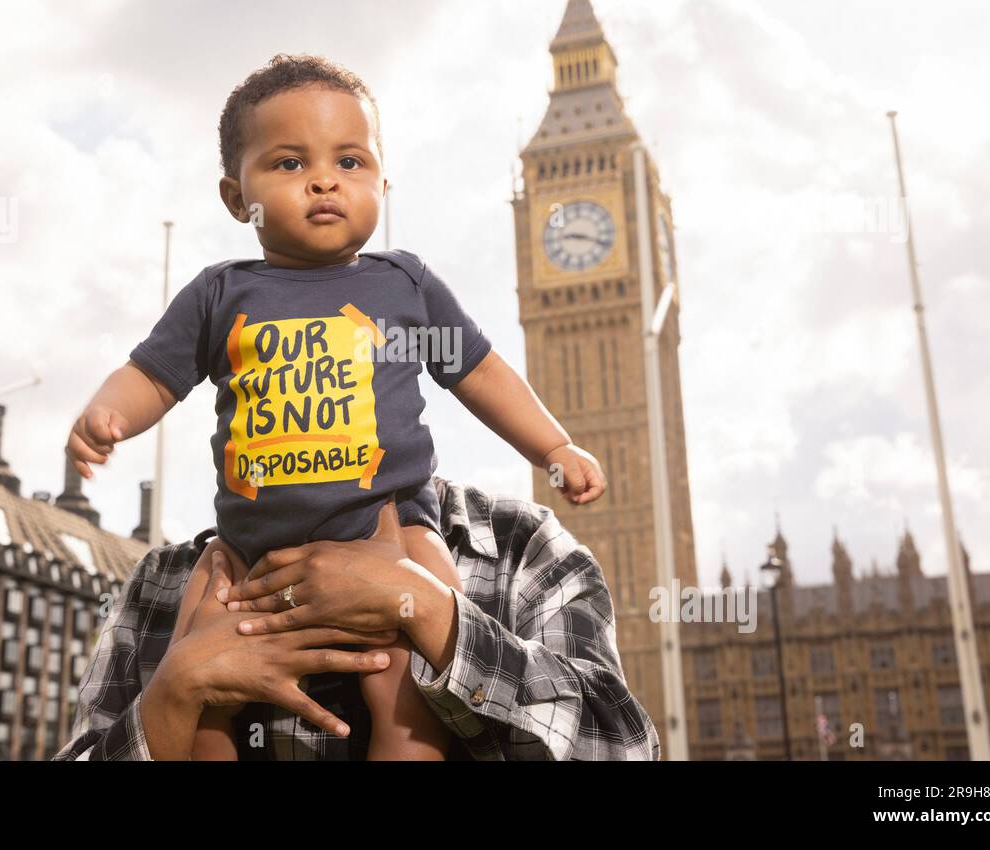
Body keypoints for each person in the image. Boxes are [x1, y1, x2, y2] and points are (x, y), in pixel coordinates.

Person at [64, 53, 606, 760]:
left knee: (409, 698)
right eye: (289, 164)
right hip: (246, 557)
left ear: (382, 181)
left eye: (350, 161)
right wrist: (108, 416)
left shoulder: (405, 285)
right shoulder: (216, 294)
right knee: (194, 679)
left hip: (392, 535)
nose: (323, 179)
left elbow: (480, 371)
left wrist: (553, 446)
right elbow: (150, 374)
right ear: (236, 198)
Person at [53, 477, 661, 761]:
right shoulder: (166, 582)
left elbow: (624, 750)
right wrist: (173, 700)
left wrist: (434, 616)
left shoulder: (516, 548)